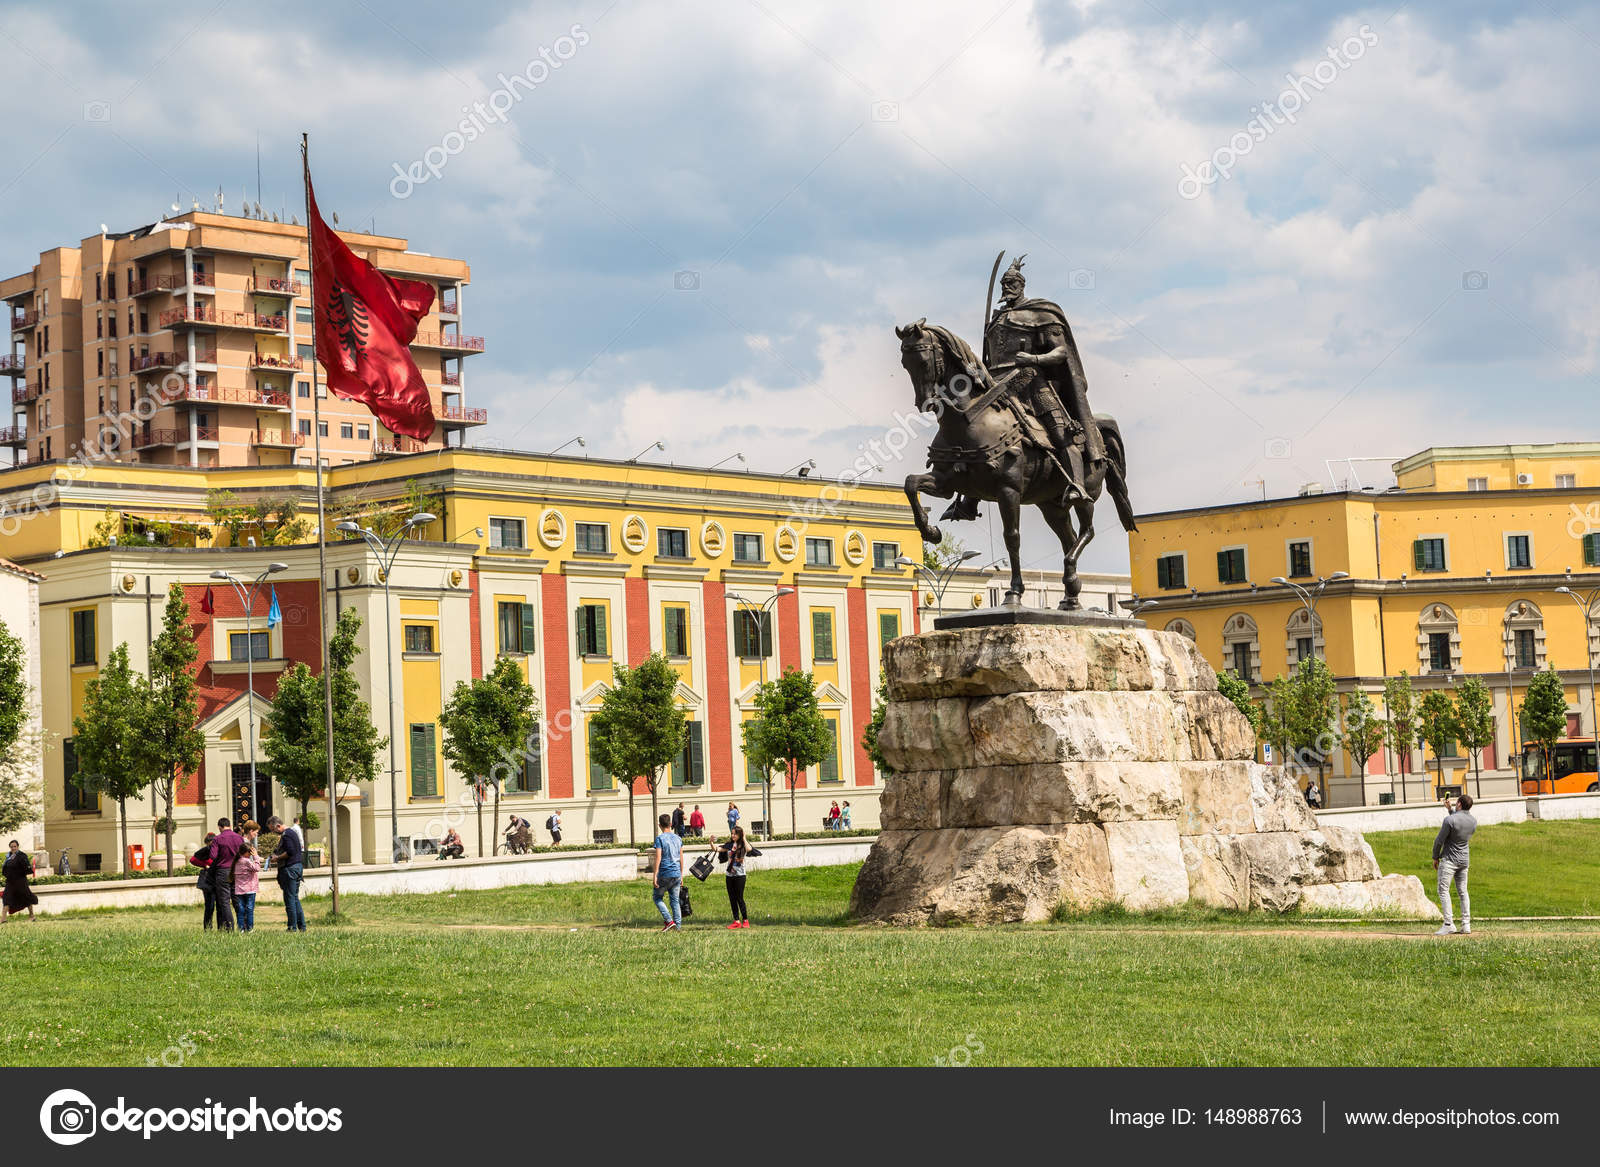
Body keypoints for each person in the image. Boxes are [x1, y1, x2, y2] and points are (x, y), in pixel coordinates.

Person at [1432, 792, 1477, 936]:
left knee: (1443, 889)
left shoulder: (1449, 820)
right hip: (1464, 860)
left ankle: (1448, 924)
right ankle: (1466, 924)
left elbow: (1439, 840)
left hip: (1450, 860)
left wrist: (1435, 857)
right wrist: (1450, 810)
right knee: (1463, 891)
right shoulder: (1473, 821)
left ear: (1459, 804)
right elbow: (1458, 826)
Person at [268, 815, 307, 932]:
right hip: (296, 867)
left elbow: (290, 851)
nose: (273, 832)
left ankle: (292, 927)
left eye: (273, 829)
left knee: (289, 899)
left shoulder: (287, 834)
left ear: (278, 826)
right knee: (294, 898)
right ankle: (302, 926)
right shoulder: (291, 833)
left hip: (290, 869)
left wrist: (277, 858)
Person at [208, 817, 244, 932]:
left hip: (223, 871)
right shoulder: (239, 838)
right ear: (229, 825)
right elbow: (244, 854)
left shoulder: (218, 839)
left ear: (220, 827)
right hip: (237, 870)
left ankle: (230, 927)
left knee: (224, 901)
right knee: (237, 899)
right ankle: (243, 926)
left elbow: (213, 856)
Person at [651, 813, 684, 933]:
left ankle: (669, 921)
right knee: (675, 900)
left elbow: (658, 857)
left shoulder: (660, 839)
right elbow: (681, 857)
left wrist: (655, 875)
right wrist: (681, 874)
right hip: (676, 873)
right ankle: (678, 927)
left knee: (657, 897)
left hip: (664, 873)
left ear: (659, 825)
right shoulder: (678, 838)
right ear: (670, 824)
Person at [718, 826, 752, 929]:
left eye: (735, 834)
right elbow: (718, 849)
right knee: (732, 898)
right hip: (729, 875)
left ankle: (745, 920)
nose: (733, 835)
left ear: (739, 835)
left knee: (739, 898)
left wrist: (744, 838)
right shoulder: (729, 845)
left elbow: (749, 849)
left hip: (740, 875)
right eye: (732, 833)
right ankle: (736, 921)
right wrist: (711, 843)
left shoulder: (743, 845)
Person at [2, 839, 39, 923]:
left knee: (26, 897)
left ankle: (32, 916)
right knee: (6, 898)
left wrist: (19, 873)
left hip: (20, 881)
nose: (13, 848)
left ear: (18, 847)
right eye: (11, 847)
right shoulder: (9, 856)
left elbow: (27, 868)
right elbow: (5, 868)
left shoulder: (22, 856)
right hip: (10, 882)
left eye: (15, 846)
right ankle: (3, 919)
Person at [232, 842, 261, 933]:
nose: (251, 854)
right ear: (246, 852)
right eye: (250, 852)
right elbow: (257, 868)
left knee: (241, 910)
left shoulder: (237, 861)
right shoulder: (246, 861)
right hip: (250, 889)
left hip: (239, 890)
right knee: (249, 910)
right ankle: (250, 928)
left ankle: (241, 929)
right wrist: (256, 856)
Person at [192, 831, 218, 930]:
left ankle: (218, 926)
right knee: (209, 905)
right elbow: (193, 860)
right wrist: (205, 865)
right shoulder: (206, 850)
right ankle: (208, 927)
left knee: (216, 905)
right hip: (208, 879)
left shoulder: (216, 849)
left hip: (216, 877)